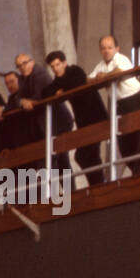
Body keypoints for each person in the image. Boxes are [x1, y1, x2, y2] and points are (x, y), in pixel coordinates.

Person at [89, 36, 140, 177]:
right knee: (125, 148)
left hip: (135, 100)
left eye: (110, 47)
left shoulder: (121, 58)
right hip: (120, 105)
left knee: (138, 144)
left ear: (117, 49)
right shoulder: (100, 66)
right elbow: (88, 79)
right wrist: (98, 77)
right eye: (103, 48)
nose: (106, 51)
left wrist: (104, 77)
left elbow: (119, 72)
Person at [46, 50, 106, 187]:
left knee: (86, 154)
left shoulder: (75, 70)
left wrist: (62, 90)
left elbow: (77, 83)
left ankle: (100, 183)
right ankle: (98, 184)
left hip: (96, 117)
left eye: (58, 65)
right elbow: (47, 92)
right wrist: (58, 90)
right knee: (85, 155)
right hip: (84, 122)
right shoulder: (58, 80)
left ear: (64, 63)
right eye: (53, 66)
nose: (56, 69)